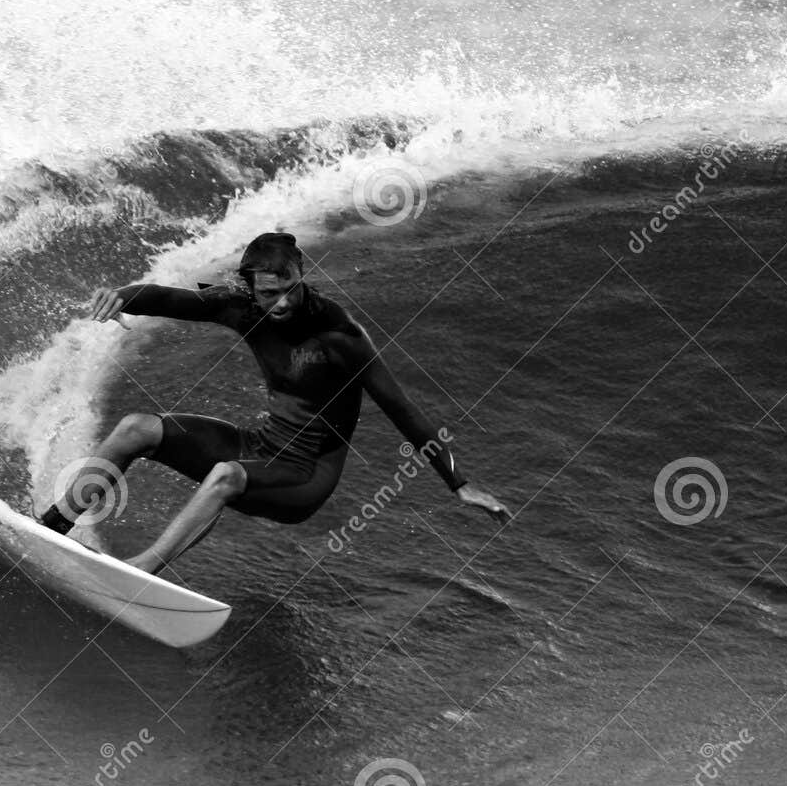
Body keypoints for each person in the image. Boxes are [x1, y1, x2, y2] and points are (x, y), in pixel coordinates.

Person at [36, 231, 508, 573]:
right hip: (259, 446)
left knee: (225, 476)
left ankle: (141, 571)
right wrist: (122, 297)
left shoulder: (339, 335)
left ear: (302, 276)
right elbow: (172, 299)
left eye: (289, 289)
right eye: (268, 294)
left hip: (303, 478)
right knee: (137, 427)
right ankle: (53, 525)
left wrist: (457, 482)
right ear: (251, 287)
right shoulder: (241, 303)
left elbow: (403, 410)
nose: (280, 303)